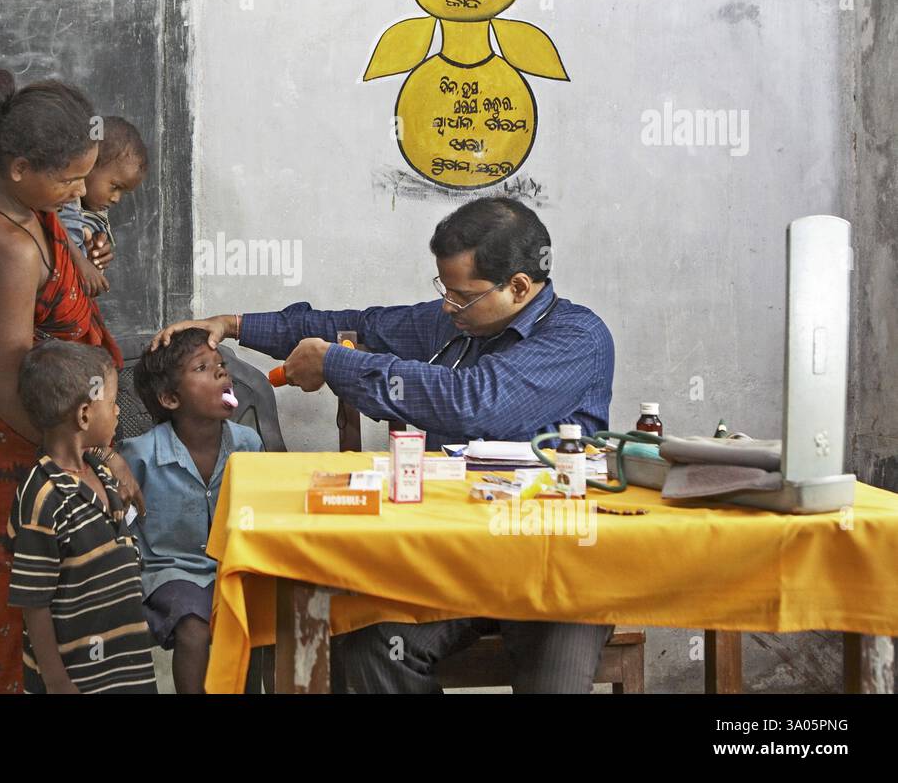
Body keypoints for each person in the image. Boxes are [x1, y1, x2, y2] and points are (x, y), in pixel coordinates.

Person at [151, 197, 616, 693]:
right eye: (445, 290)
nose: (447, 306)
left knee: (554, 680)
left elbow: (471, 401)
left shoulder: (577, 339)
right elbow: (358, 326)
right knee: (374, 645)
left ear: (519, 286)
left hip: (553, 565)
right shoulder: (456, 322)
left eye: (462, 295)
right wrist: (234, 325)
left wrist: (335, 365)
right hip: (459, 560)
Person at [0, 68, 141, 693]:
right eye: (70, 178)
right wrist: (93, 455)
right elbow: (5, 385)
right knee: (23, 637)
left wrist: (75, 257)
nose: (80, 192)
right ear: (20, 168)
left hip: (42, 439)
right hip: (26, 451)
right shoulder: (11, 252)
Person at [116, 329, 264, 693]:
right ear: (169, 398)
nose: (221, 373)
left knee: (255, 620)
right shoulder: (140, 454)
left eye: (221, 365)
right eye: (203, 367)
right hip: (170, 569)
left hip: (233, 567)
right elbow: (121, 522)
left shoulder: (248, 445)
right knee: (194, 625)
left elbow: (260, 513)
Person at [8, 340, 157, 694]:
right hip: (76, 676)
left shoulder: (101, 473)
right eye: (113, 402)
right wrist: (56, 680)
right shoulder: (43, 497)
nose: (119, 411)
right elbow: (33, 603)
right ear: (85, 415)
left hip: (124, 664)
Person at [57, 115, 149, 297]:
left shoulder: (95, 214)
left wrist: (93, 261)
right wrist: (81, 263)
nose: (116, 199)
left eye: (123, 193)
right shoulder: (61, 201)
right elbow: (57, 238)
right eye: (115, 187)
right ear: (89, 164)